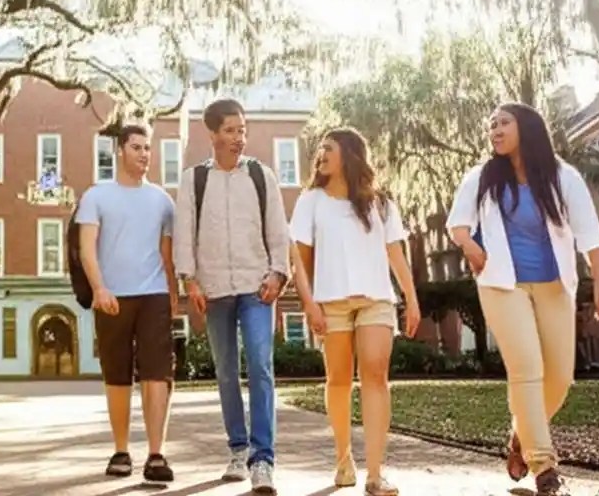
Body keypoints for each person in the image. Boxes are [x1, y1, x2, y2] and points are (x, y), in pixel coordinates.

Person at [448, 103, 599, 496]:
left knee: (559, 376)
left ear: (526, 127)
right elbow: (457, 223)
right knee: (526, 367)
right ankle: (544, 466)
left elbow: (590, 233)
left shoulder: (562, 176)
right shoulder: (483, 176)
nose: (495, 130)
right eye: (491, 125)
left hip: (554, 283)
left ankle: (520, 435)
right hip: (502, 283)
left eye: (503, 122)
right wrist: (469, 245)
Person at [289, 128, 420, 496]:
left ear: (348, 153)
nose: (320, 154)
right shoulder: (310, 200)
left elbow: (396, 252)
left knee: (376, 376)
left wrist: (411, 297)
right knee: (339, 380)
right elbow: (298, 258)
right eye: (319, 150)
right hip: (331, 303)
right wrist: (309, 303)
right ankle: (343, 458)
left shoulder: (380, 203)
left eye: (328, 148)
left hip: (376, 299)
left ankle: (376, 474)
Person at [174, 99, 290, 494]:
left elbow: (278, 230)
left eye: (242, 130)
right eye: (230, 130)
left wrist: (278, 274)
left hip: (257, 285)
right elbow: (185, 233)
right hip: (214, 289)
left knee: (259, 365)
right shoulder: (194, 179)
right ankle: (238, 450)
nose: (239, 138)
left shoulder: (261, 175)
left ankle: (263, 460)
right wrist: (189, 281)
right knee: (226, 371)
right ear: (212, 134)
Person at [76, 124, 177, 483]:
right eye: (137, 147)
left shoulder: (163, 201)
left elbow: (167, 256)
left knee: (157, 374)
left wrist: (174, 298)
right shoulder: (97, 196)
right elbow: (87, 247)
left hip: (154, 296)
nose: (144, 154)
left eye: (148, 148)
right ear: (120, 150)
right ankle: (121, 450)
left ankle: (156, 454)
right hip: (112, 296)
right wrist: (99, 288)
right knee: (117, 375)